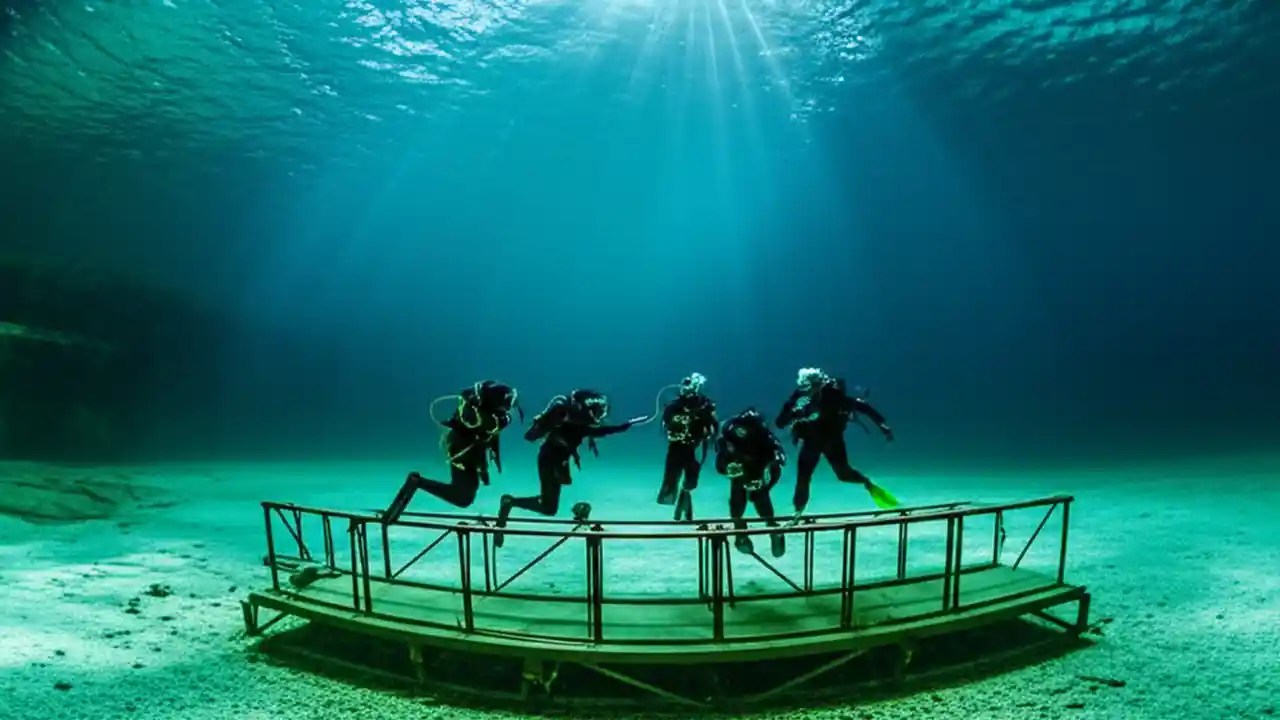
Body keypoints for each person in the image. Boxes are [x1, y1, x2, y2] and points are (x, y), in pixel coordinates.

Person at [492, 389, 646, 547]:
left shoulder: (575, 420)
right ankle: (509, 502)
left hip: (554, 462)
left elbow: (597, 430)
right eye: (599, 412)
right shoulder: (577, 423)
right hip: (550, 462)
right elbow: (600, 430)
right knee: (548, 507)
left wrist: (624, 426)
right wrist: (625, 426)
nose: (600, 416)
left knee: (549, 507)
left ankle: (510, 502)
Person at [382, 380, 520, 523]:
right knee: (463, 498)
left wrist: (482, 468)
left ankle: (417, 483)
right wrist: (482, 467)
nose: (509, 408)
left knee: (465, 496)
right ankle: (417, 482)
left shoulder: (481, 411)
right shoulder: (485, 418)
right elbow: (497, 426)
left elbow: (485, 439)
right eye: (507, 403)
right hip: (463, 454)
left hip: (466, 452)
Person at [774, 367, 895, 523]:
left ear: (820, 384)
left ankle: (867, 483)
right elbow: (780, 423)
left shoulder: (834, 396)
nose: (810, 390)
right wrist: (793, 411)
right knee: (803, 478)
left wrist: (883, 426)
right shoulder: (799, 397)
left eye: (814, 386)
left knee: (843, 475)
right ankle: (798, 511)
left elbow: (863, 407)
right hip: (812, 442)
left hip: (833, 441)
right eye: (806, 386)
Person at [714, 408, 787, 557]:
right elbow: (721, 460)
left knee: (760, 497)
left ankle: (773, 529)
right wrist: (727, 469)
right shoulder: (727, 435)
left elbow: (778, 456)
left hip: (758, 467)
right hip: (739, 468)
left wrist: (767, 480)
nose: (743, 432)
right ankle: (740, 530)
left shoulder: (764, 438)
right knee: (737, 495)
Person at [657, 372, 718, 522]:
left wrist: (710, 437)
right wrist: (670, 433)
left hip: (695, 447)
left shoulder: (705, 405)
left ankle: (685, 496)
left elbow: (713, 425)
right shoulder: (673, 405)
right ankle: (677, 501)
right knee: (670, 479)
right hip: (676, 447)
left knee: (691, 480)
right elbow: (664, 424)